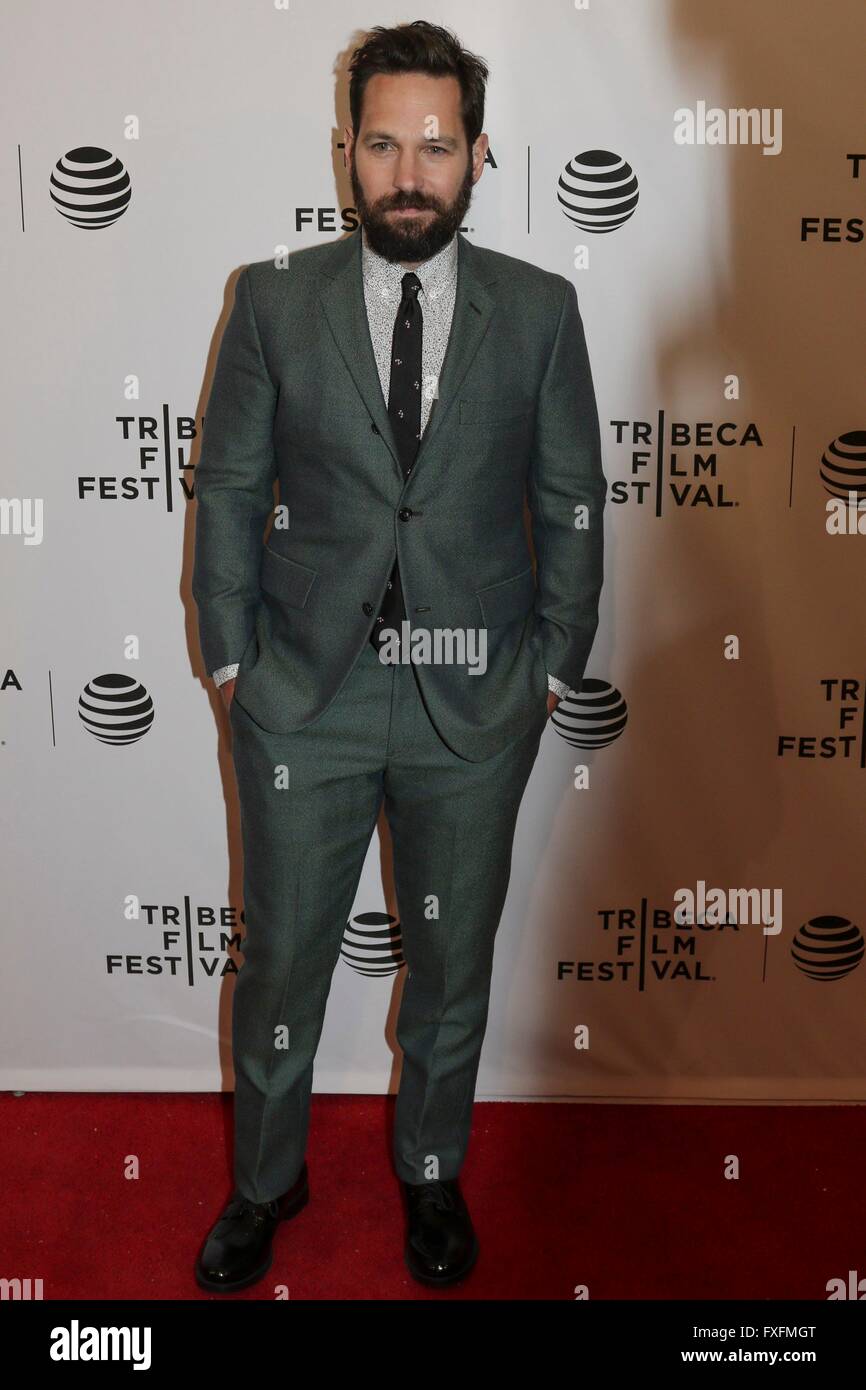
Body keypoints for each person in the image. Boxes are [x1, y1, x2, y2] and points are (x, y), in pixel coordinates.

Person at [192, 19, 606, 1294]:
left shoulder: (539, 312)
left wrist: (545, 670)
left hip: (472, 701)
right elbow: (225, 490)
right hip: (302, 699)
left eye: (435, 144)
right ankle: (267, 1181)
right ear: (345, 153)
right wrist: (228, 666)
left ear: (479, 154)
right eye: (383, 143)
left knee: (447, 967)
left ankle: (430, 1172)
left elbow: (573, 499)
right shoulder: (271, 300)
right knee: (281, 962)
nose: (408, 171)